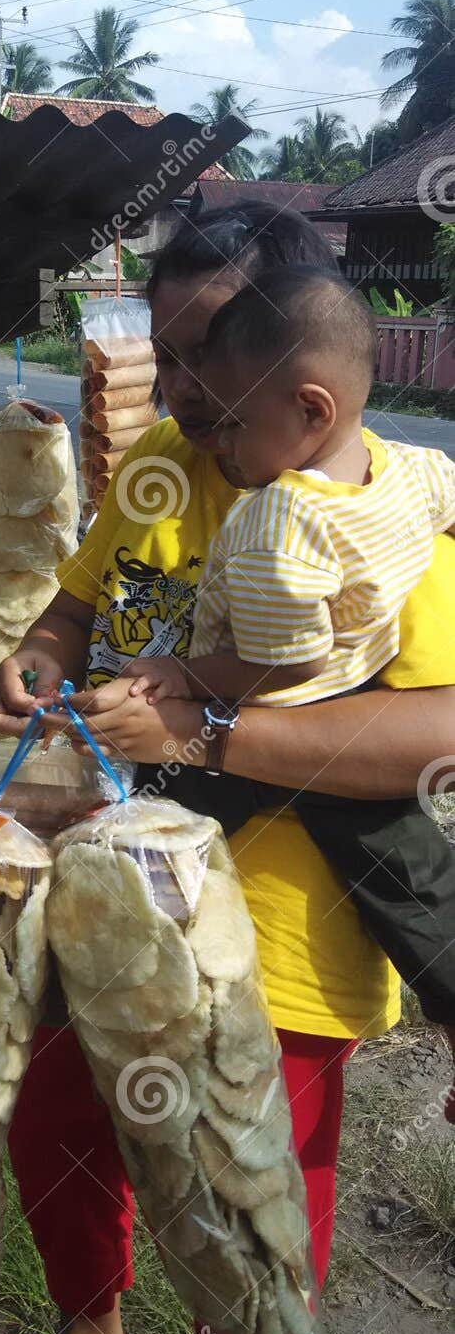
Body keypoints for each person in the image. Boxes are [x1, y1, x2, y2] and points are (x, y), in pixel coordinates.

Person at [0, 200, 455, 1334]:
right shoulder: (168, 462)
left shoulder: (383, 518)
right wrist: (41, 652)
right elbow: (81, 604)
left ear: (283, 360)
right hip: (103, 883)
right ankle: (92, 1331)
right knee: (59, 1121)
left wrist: (208, 729)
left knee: (249, 1226)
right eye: (163, 357)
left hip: (273, 944)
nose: (172, 387)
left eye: (199, 357)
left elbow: (432, 733)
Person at [120, 265, 455, 1078]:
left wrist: (189, 690)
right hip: (362, 695)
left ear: (310, 409)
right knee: (405, 870)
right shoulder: (411, 472)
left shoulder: (277, 519)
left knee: (158, 824)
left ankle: (134, 943)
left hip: (299, 700)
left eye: (234, 421)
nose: (220, 439)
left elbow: (284, 662)